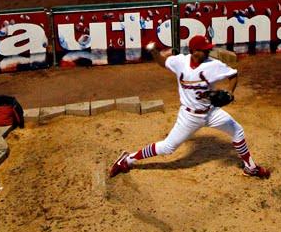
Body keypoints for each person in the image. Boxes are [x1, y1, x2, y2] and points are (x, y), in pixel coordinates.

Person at [109, 35, 271, 179]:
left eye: (208, 49)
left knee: (237, 130)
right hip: (189, 117)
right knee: (167, 148)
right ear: (194, 51)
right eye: (204, 50)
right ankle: (127, 159)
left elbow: (233, 75)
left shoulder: (214, 65)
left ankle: (250, 167)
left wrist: (230, 92)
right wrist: (153, 51)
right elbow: (163, 62)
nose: (207, 52)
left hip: (211, 112)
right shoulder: (180, 62)